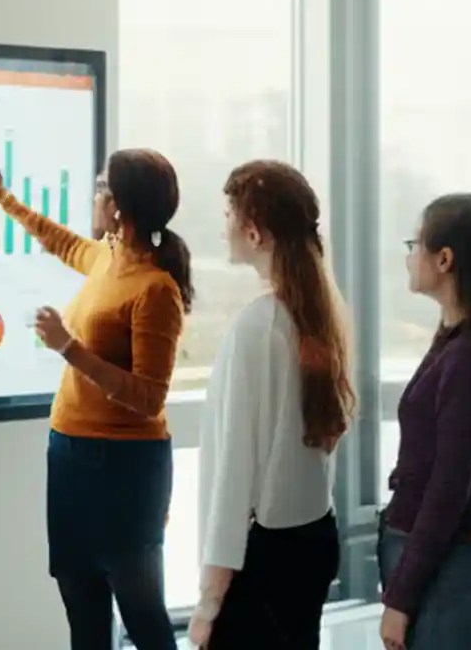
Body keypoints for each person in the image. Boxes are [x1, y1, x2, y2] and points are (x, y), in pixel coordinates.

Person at [0, 149, 192, 650]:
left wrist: (68, 348)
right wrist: (1, 197)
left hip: (124, 466)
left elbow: (149, 397)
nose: (94, 197)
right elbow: (57, 239)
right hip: (70, 454)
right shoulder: (106, 258)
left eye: (101, 188)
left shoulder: (155, 289)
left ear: (119, 206)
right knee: (80, 599)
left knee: (141, 610)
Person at [187, 161, 353, 650]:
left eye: (228, 215)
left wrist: (208, 602)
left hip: (263, 560)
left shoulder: (258, 326)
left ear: (254, 232)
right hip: (313, 540)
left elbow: (234, 474)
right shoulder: (320, 316)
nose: (223, 227)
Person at [378, 194, 471, 650]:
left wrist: (400, 599)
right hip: (449, 562)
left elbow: (448, 488)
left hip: (459, 565)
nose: (409, 256)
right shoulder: (457, 340)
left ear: (444, 259)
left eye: (414, 244)